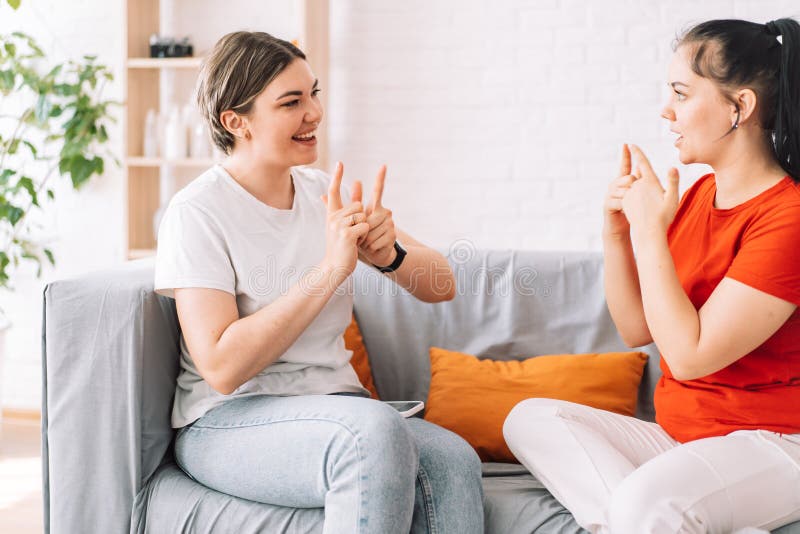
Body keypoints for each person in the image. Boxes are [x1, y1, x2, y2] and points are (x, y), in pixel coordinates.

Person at [154, 31, 484, 534]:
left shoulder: (321, 193)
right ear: (235, 121)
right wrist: (331, 270)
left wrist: (390, 255)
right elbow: (221, 367)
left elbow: (442, 285)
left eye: (314, 94)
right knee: (372, 434)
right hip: (227, 418)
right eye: (291, 102)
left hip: (335, 407)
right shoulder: (197, 212)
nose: (314, 113)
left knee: (453, 460)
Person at [503, 18, 800, 534]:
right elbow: (636, 328)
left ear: (741, 107)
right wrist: (617, 231)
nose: (666, 110)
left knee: (645, 502)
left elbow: (688, 355)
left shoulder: (788, 217)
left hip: (774, 440)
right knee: (529, 419)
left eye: (681, 94)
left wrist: (648, 231)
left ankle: (647, 513)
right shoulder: (700, 196)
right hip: (683, 438)